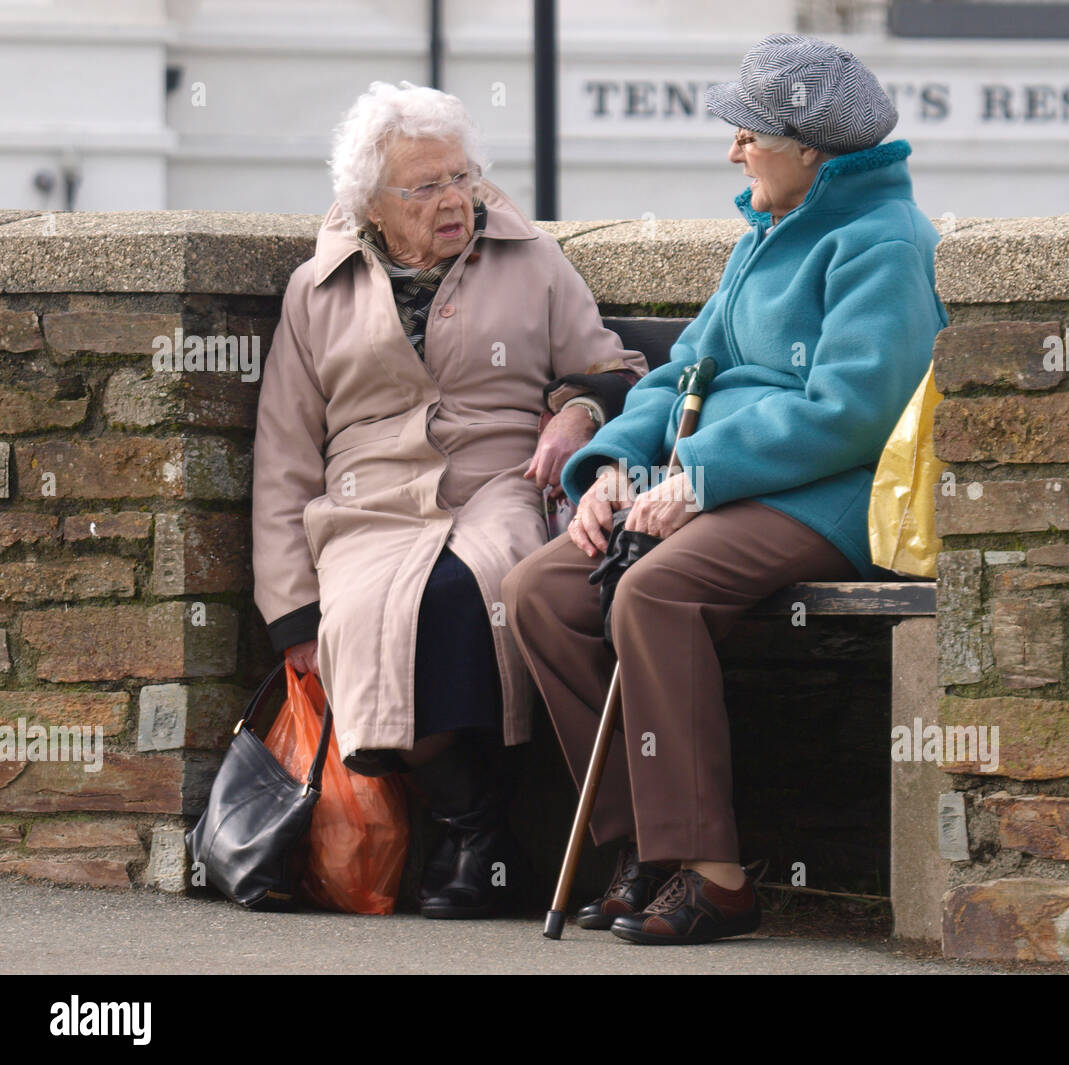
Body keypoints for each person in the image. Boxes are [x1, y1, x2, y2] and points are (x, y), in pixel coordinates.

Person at [502, 34, 949, 945]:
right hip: (723, 486)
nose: (732, 150)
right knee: (540, 591)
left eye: (748, 133)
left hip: (827, 495)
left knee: (656, 589)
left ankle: (715, 873)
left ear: (811, 150)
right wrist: (613, 466)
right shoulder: (764, 230)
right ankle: (645, 851)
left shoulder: (885, 242)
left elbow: (849, 413)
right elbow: (680, 376)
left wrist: (701, 479)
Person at [251, 81, 646, 918]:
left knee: (479, 588)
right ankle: (478, 833)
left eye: (461, 177)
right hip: (368, 504)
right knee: (361, 615)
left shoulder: (531, 258)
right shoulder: (315, 290)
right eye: (425, 187)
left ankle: (477, 844)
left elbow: (612, 370)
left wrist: (576, 413)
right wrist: (291, 614)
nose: (454, 200)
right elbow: (285, 456)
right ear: (372, 203)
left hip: (500, 482)